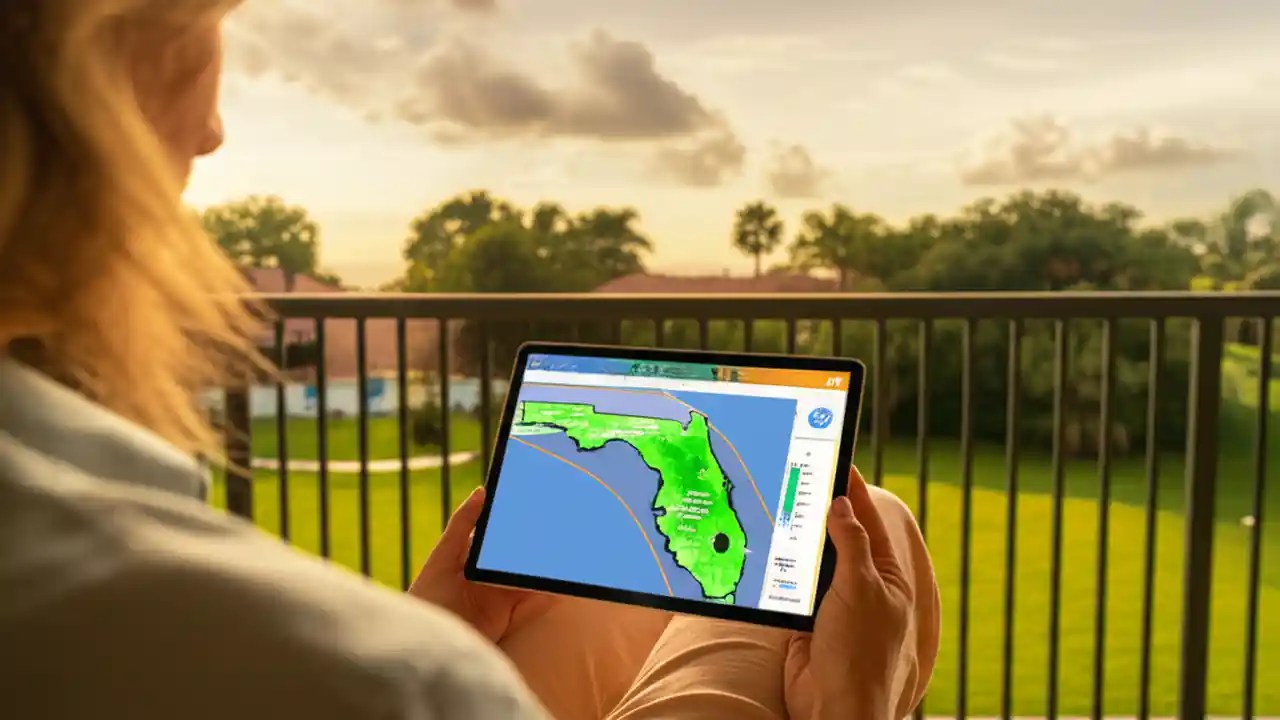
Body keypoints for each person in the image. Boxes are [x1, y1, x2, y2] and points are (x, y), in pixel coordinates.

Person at [0, 1, 940, 718]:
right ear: (78, 84)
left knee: (584, 609)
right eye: (203, 26)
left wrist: (440, 633)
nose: (212, 131)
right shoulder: (382, 682)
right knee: (868, 535)